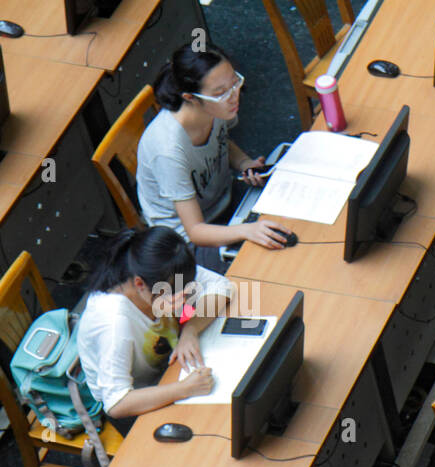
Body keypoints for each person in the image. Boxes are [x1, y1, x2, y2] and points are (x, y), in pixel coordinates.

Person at [136, 43, 290, 273]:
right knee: (267, 268)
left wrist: (244, 163)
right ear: (190, 97)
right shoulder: (167, 150)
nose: (234, 95)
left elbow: (221, 140)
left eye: (234, 82)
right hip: (188, 243)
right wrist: (246, 231)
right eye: (220, 93)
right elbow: (195, 231)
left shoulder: (214, 108)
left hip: (226, 205)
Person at [77, 226, 232, 425]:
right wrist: (185, 389)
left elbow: (221, 286)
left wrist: (190, 331)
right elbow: (116, 403)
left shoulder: (163, 269)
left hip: (170, 368)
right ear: (140, 284)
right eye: (171, 297)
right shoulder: (114, 324)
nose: (180, 302)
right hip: (142, 398)